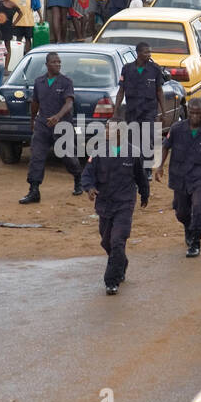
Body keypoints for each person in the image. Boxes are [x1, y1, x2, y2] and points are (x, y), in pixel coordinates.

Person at [81, 119, 150, 295]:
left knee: (117, 240)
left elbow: (140, 176)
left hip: (125, 203)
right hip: (104, 204)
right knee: (106, 242)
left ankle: (111, 281)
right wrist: (89, 188)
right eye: (106, 128)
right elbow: (87, 174)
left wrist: (144, 193)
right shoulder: (98, 152)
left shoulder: (133, 153)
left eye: (111, 129)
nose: (107, 132)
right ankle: (121, 263)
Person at [155, 98, 201, 257]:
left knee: (198, 207)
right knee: (181, 212)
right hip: (180, 176)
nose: (195, 116)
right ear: (188, 112)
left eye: (198, 113)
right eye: (192, 113)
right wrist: (160, 166)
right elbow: (165, 147)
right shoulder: (177, 129)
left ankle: (195, 243)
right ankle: (188, 227)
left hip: (199, 176)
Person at [20, 51, 82, 203]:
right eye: (54, 62)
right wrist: (32, 119)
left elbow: (69, 103)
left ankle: (78, 178)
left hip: (62, 124)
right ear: (47, 65)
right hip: (43, 124)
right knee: (36, 157)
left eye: (59, 62)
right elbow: (35, 103)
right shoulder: (39, 82)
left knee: (68, 156)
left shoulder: (66, 82)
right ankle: (34, 190)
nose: (57, 64)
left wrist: (58, 116)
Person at [114, 41, 165, 157]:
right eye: (146, 52)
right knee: (132, 142)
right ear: (138, 53)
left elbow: (159, 91)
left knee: (148, 140)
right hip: (132, 112)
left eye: (150, 52)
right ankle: (134, 170)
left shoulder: (155, 69)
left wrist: (163, 112)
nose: (149, 54)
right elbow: (121, 91)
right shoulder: (127, 69)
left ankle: (147, 170)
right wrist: (115, 110)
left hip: (149, 112)